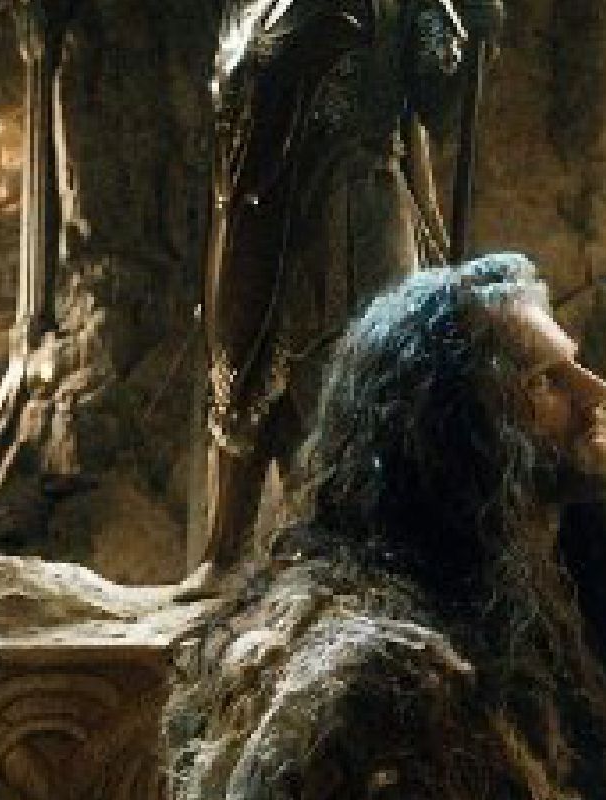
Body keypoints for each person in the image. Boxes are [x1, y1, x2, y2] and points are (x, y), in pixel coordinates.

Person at [164, 255, 606, 800]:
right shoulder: (380, 684)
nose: (596, 392)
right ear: (455, 432)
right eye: (542, 381)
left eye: (574, 363)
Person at [200, 0, 484, 573]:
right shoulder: (252, 9)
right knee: (248, 375)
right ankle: (228, 551)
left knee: (349, 377)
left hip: (351, 207)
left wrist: (468, 30)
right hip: (258, 219)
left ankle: (355, 557)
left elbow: (435, 99)